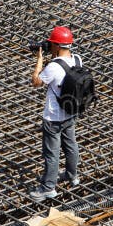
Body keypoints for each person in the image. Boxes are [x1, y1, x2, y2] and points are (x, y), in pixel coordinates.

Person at [29, 26, 81, 202]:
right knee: (71, 145)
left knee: (52, 153)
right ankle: (72, 176)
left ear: (57, 46)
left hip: (53, 117)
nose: (49, 46)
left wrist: (39, 60)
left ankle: (48, 188)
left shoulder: (53, 66)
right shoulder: (78, 59)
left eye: (51, 44)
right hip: (71, 112)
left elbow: (36, 82)